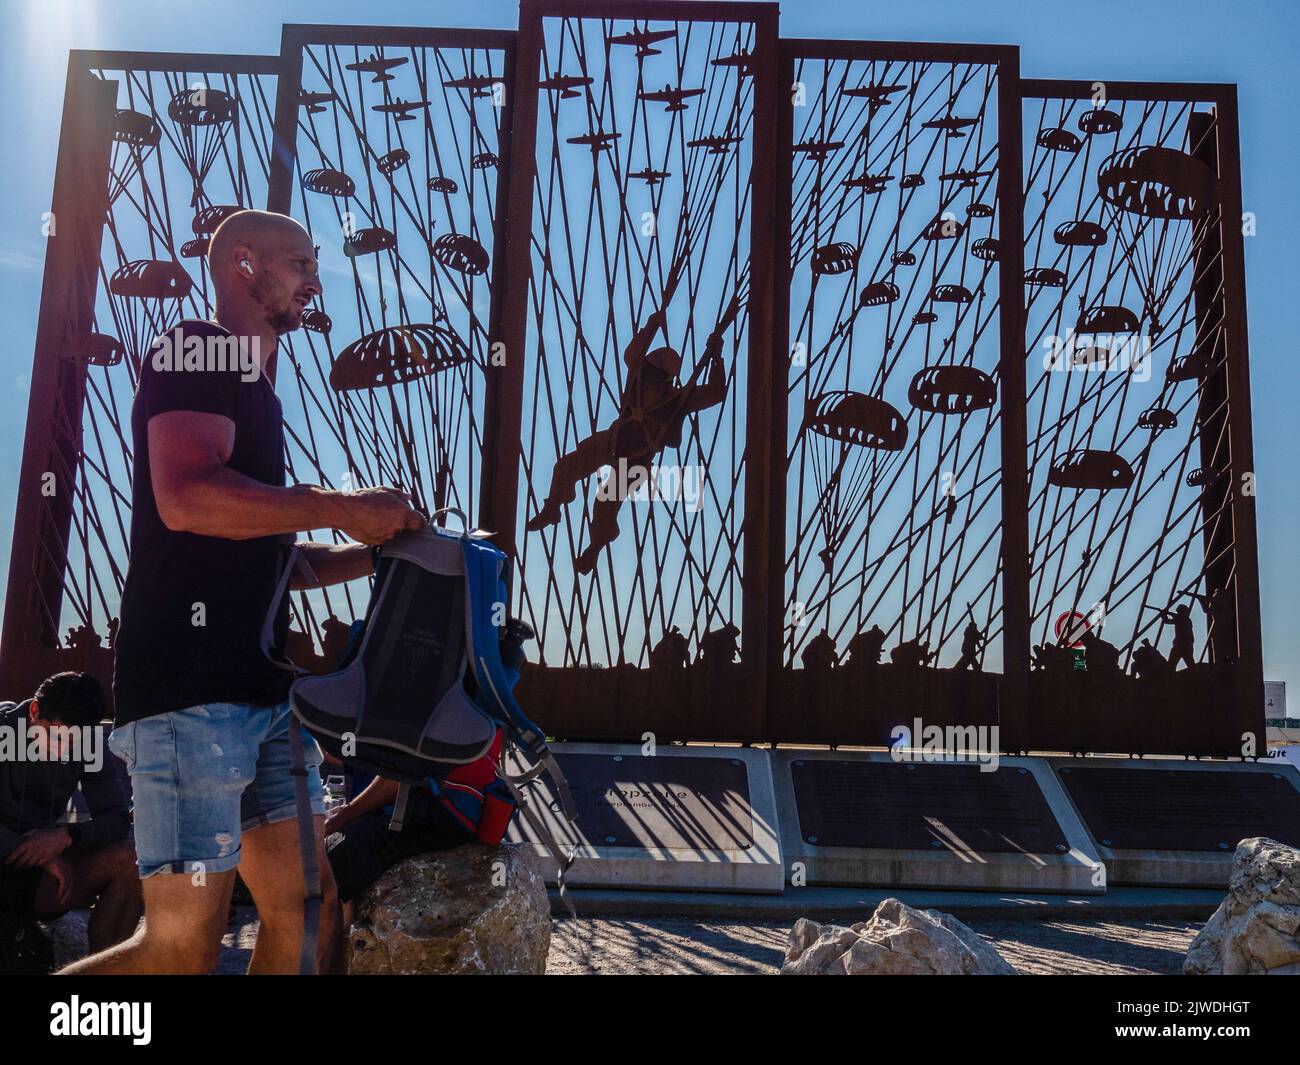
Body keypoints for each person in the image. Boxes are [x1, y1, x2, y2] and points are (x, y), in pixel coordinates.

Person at [61, 210, 423, 975]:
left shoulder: (262, 392)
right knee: (182, 944)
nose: (314, 280)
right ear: (244, 265)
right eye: (299, 262)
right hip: (190, 695)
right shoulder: (196, 349)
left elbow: (274, 558)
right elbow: (187, 498)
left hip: (264, 698)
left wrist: (379, 551)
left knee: (307, 910)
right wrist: (335, 501)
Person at [526, 248, 738, 573]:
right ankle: (553, 508)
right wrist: (654, 321)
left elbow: (716, 393)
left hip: (636, 459)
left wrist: (718, 358)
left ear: (663, 375)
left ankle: (594, 549)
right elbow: (635, 351)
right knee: (567, 466)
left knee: (605, 504)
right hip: (611, 441)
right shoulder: (639, 378)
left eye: (655, 371)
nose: (650, 374)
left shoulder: (676, 399)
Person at [1, 672, 141, 955]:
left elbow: (116, 818)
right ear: (34, 711)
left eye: (72, 742)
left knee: (130, 858)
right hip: (13, 858)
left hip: (39, 877)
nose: (60, 750)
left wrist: (66, 837)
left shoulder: (88, 742)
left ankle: (102, 973)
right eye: (54, 735)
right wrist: (34, 851)